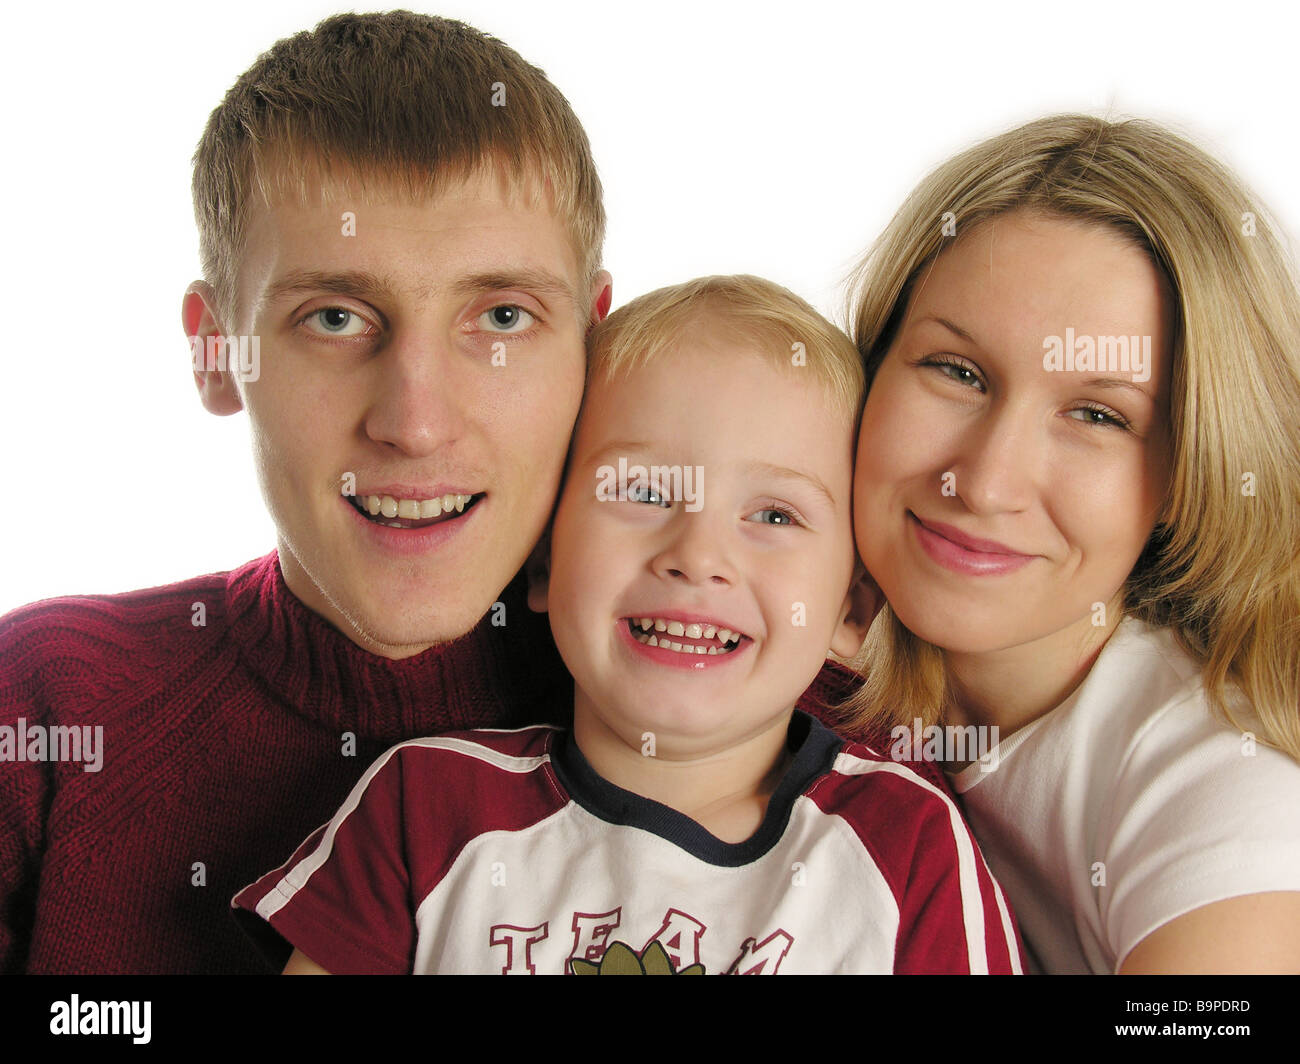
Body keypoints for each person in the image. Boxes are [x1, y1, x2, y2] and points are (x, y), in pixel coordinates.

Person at [0, 10, 613, 974]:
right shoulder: (43, 711)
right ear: (216, 350)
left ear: (593, 342)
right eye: (334, 316)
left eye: (500, 315)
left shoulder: (774, 723)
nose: (415, 422)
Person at [232, 276, 1024, 974]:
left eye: (774, 514)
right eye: (643, 493)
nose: (696, 555)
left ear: (852, 609)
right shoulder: (424, 811)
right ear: (543, 562)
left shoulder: (905, 847)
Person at [844, 114, 1300, 973]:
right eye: (957, 371)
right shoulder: (781, 639)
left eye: (1098, 416)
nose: (985, 482)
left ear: (1189, 471)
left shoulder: (1221, 792)